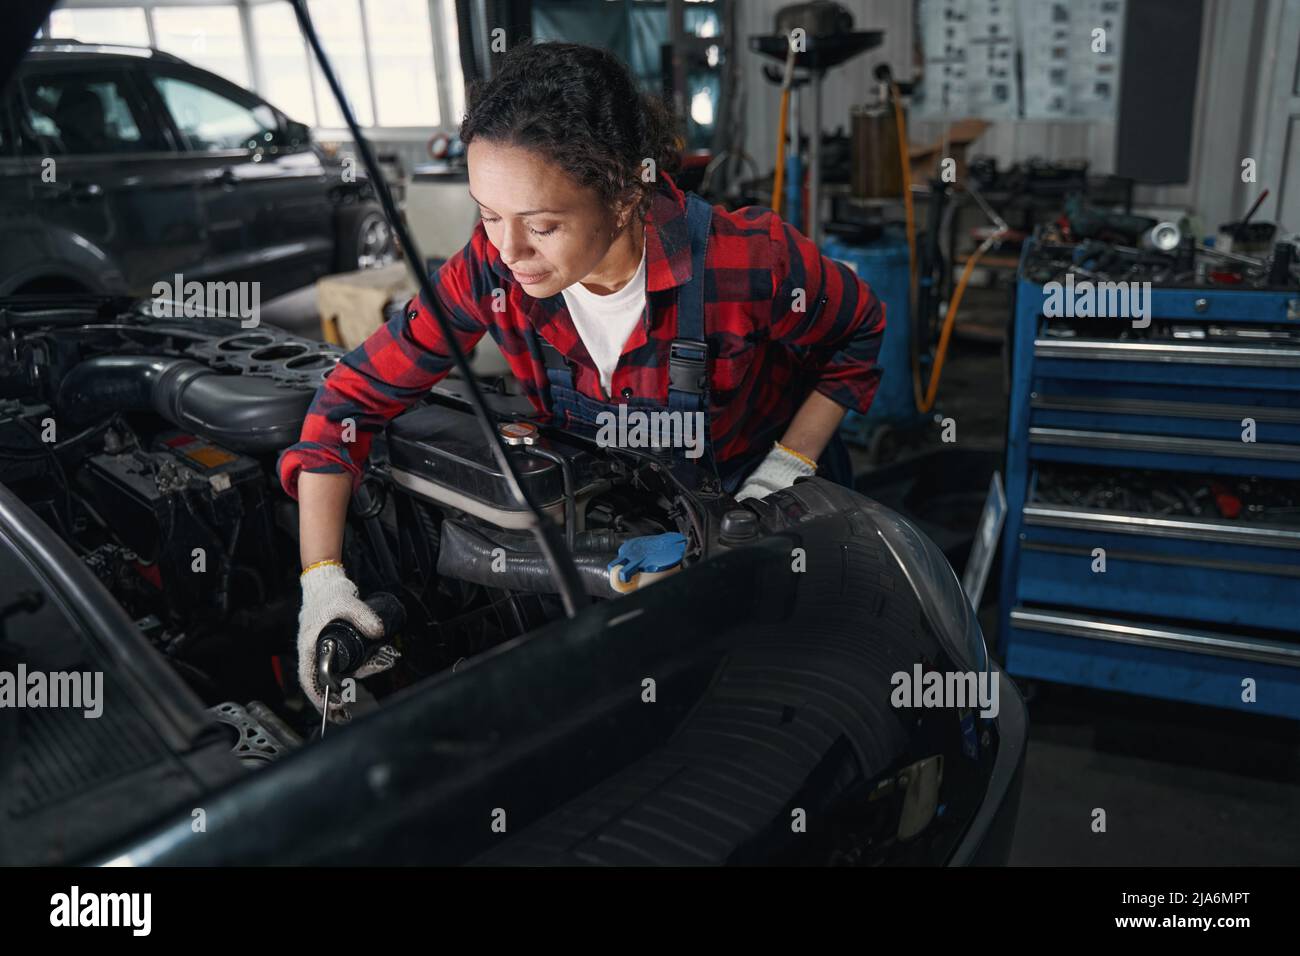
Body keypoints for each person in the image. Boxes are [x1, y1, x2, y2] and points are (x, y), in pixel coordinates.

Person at [278, 41, 886, 720]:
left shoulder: (748, 262)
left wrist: (789, 466)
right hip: (626, 545)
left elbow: (858, 336)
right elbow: (349, 399)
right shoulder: (492, 270)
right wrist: (323, 583)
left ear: (626, 194)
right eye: (487, 214)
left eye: (542, 225)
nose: (509, 252)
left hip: (766, 521)